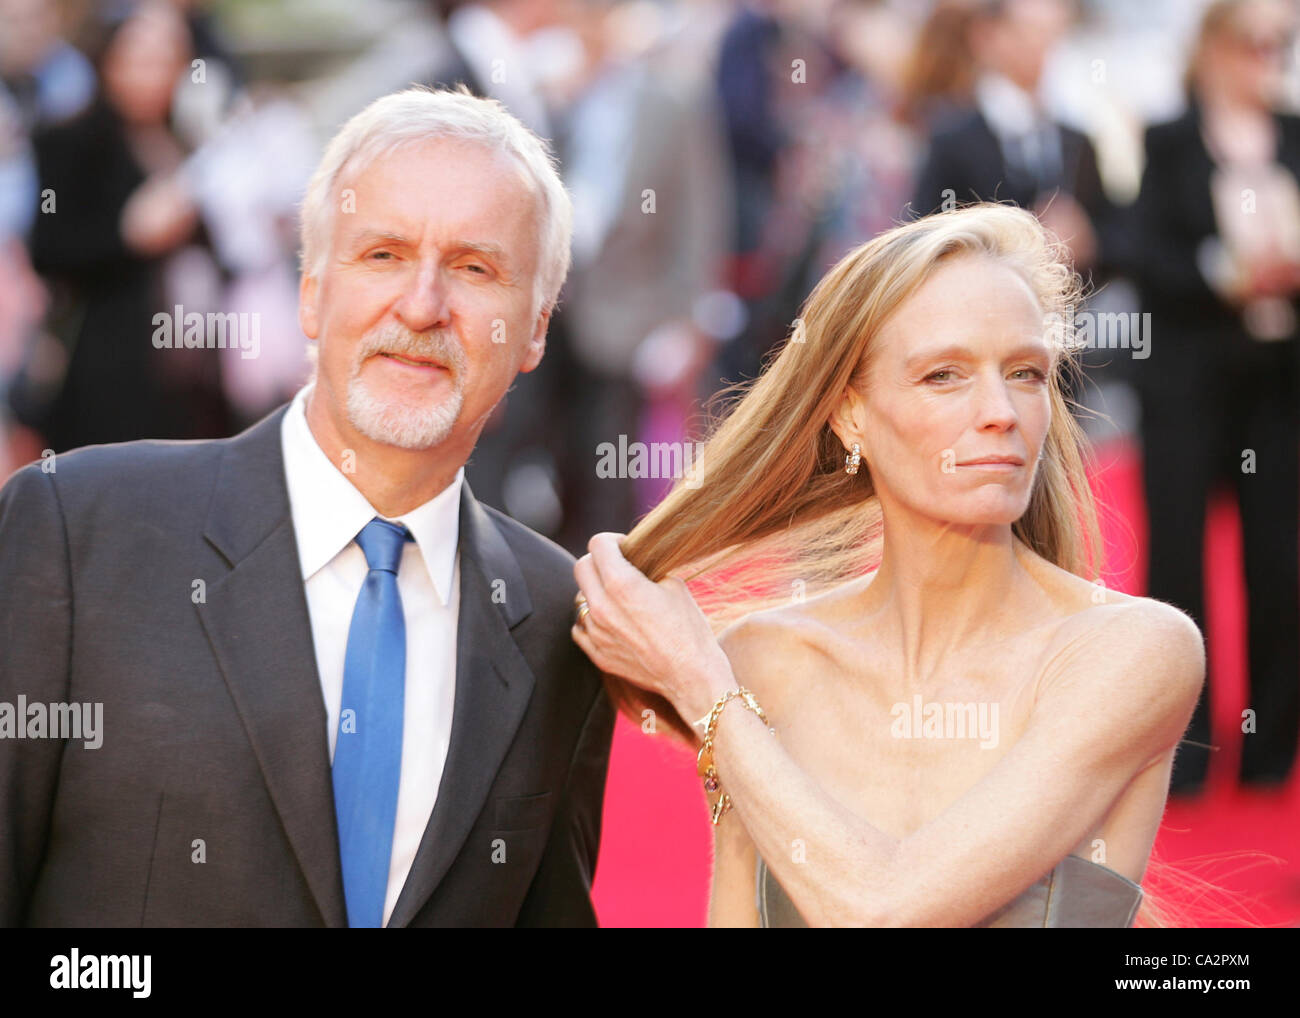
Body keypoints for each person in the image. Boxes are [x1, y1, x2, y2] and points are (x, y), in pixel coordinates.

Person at [0, 86, 615, 927]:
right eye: (384, 255)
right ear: (311, 293)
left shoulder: (558, 622)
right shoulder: (78, 530)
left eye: (476, 268)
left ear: (537, 326)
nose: (424, 305)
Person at [570, 204, 1205, 927]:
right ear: (850, 417)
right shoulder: (763, 662)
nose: (1001, 410)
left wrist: (704, 691)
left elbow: (885, 910)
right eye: (944, 375)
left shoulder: (1131, 651)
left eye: (1025, 372)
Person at [1130, 0, 1300, 795]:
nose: (1263, 58)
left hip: (1277, 384)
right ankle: (1183, 746)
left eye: (1279, 45)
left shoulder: (1294, 137)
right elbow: (1140, 247)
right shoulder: (1167, 140)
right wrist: (1219, 271)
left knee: (1278, 563)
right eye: (1251, 42)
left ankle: (1271, 745)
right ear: (1213, 47)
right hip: (1188, 383)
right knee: (1178, 568)